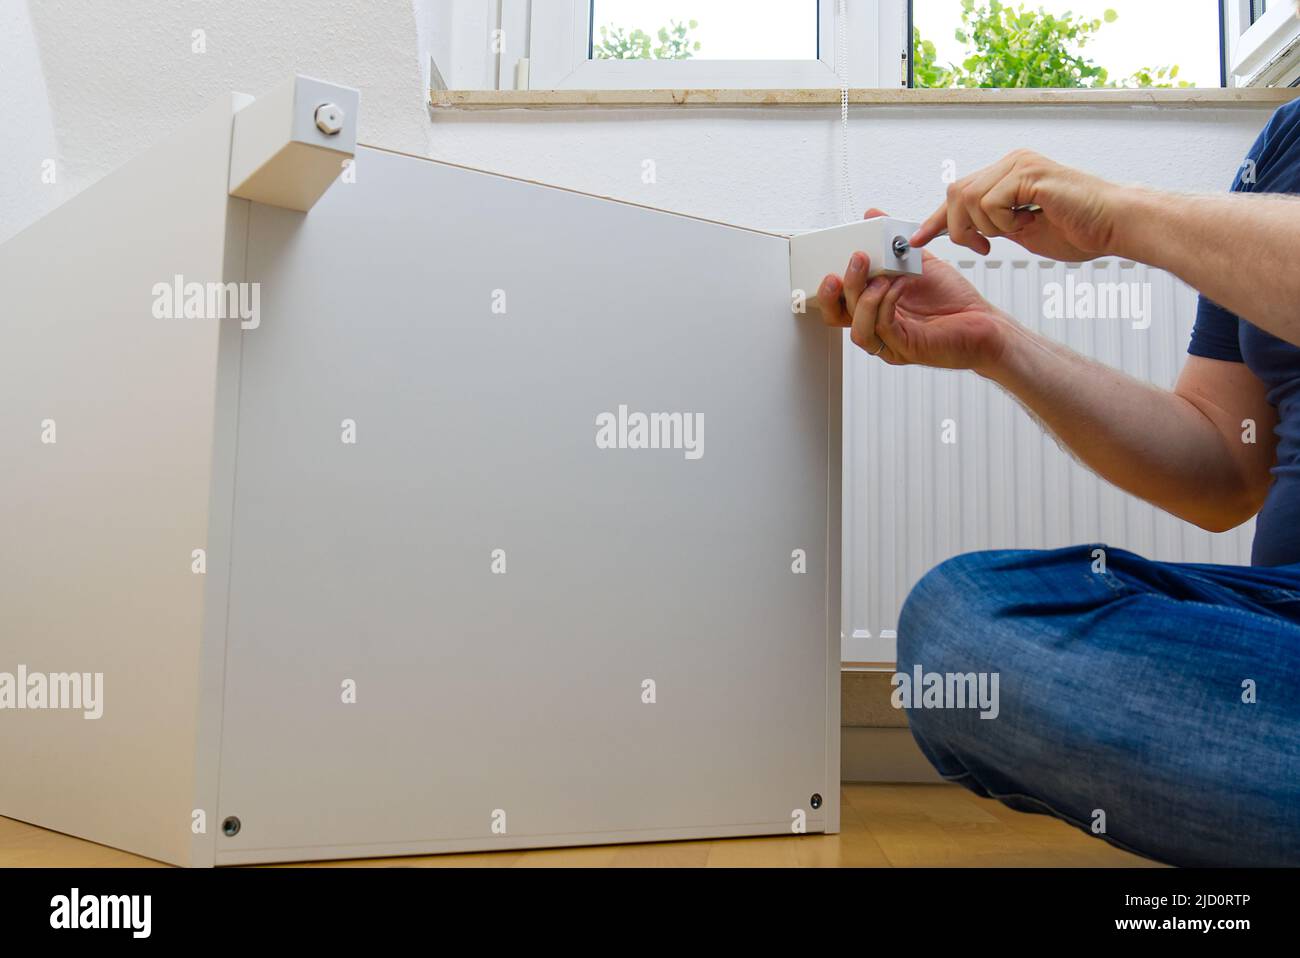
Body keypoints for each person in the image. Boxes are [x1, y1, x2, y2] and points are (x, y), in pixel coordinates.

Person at [817, 97, 1300, 866]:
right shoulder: (1284, 144)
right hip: (1280, 625)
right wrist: (995, 342)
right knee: (960, 628)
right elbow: (1221, 471)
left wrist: (1118, 219)